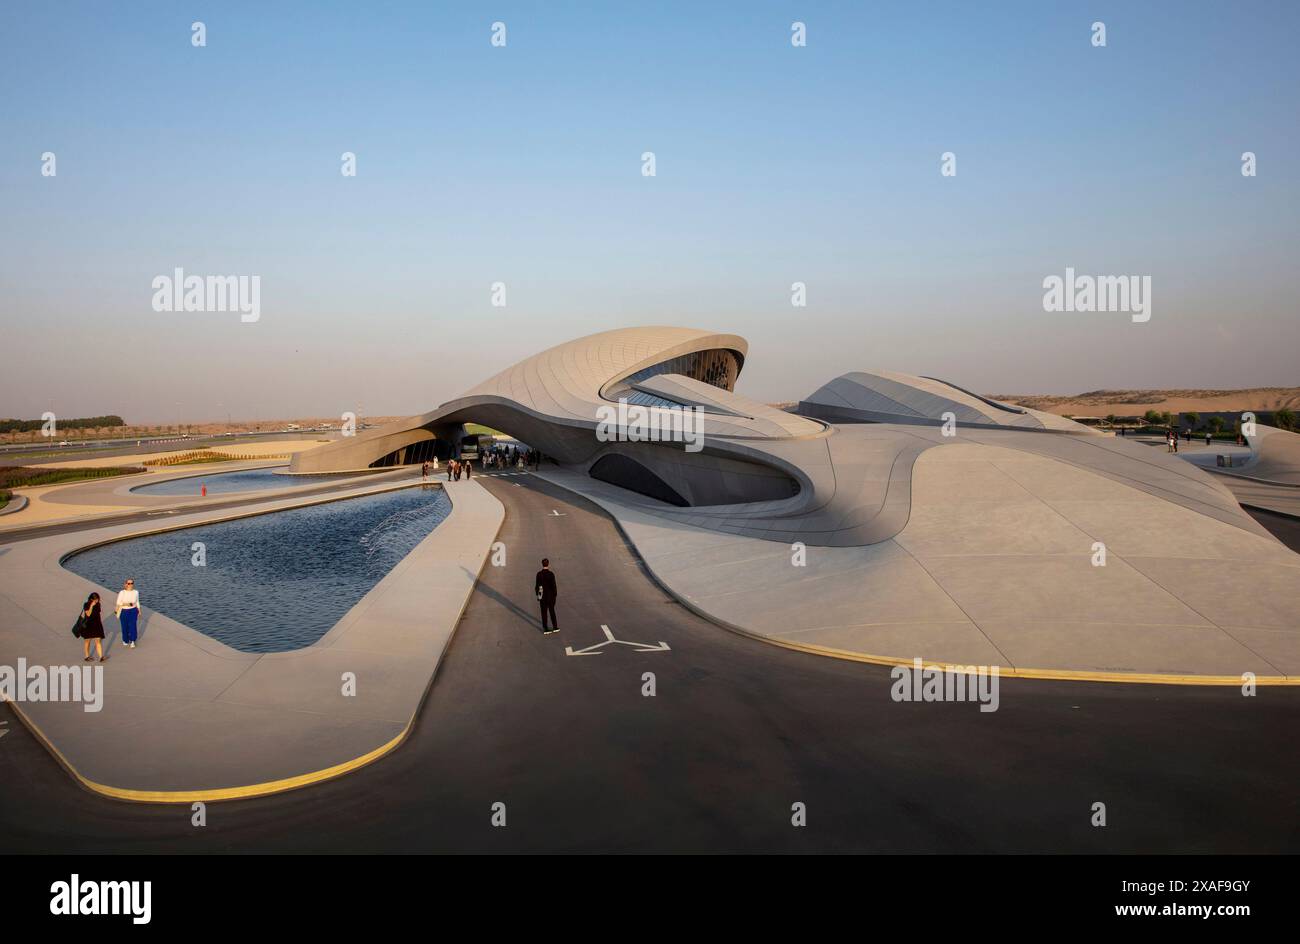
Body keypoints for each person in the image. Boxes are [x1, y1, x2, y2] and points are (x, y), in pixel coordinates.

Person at [534, 558, 559, 635]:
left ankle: (546, 628)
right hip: (550, 597)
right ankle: (555, 627)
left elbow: (537, 586)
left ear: (542, 564)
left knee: (544, 612)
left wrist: (538, 595)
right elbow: (554, 586)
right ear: (548, 564)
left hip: (543, 597)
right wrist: (555, 595)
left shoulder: (539, 574)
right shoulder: (551, 574)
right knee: (552, 611)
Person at [80, 592, 106, 662]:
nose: (97, 601)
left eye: (98, 599)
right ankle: (86, 656)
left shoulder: (98, 604)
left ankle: (101, 657)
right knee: (87, 641)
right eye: (96, 599)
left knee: (98, 641)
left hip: (97, 625)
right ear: (91, 599)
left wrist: (100, 624)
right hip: (88, 625)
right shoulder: (86, 604)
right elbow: (88, 614)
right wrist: (91, 606)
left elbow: (99, 614)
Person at [116, 578, 141, 648]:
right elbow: (118, 602)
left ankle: (132, 641)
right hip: (124, 611)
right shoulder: (122, 592)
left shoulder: (136, 592)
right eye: (129, 583)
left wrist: (139, 610)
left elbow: (137, 601)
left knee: (133, 626)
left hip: (133, 610)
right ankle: (125, 640)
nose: (130, 585)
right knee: (125, 626)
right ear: (126, 584)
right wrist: (126, 604)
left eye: (132, 583)